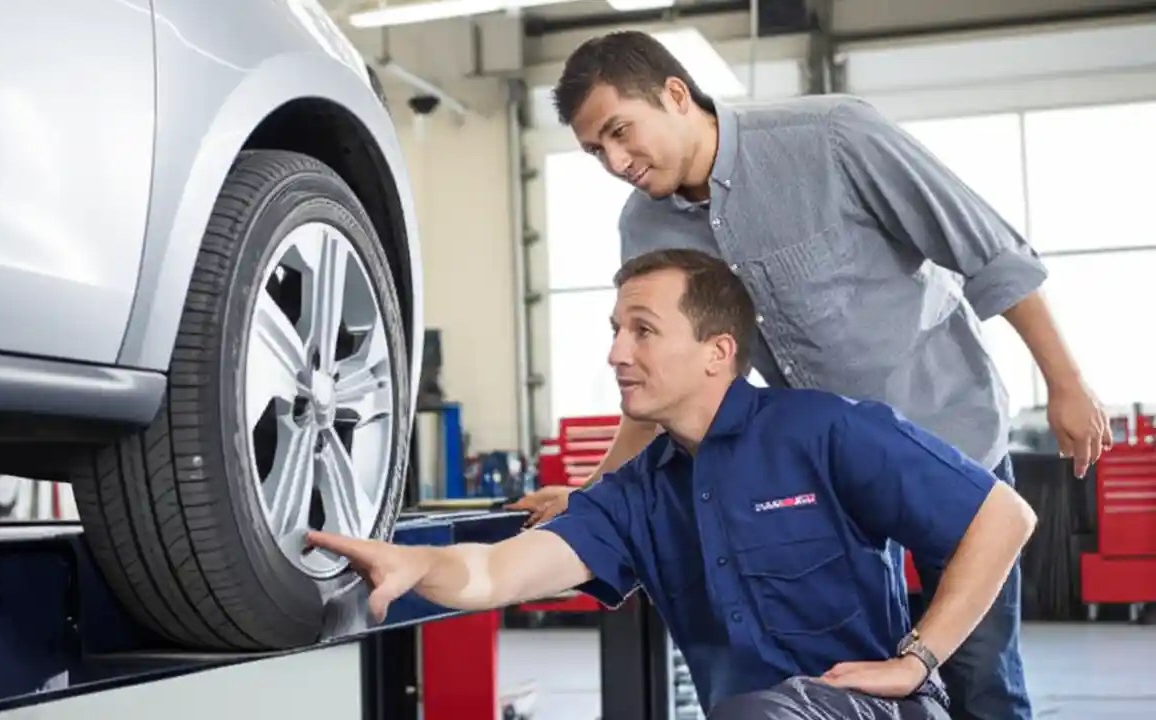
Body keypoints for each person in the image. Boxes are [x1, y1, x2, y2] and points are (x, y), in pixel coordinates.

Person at [508, 30, 1111, 720]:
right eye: (594, 151)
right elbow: (660, 375)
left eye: (621, 132)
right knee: (849, 680)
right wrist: (595, 494)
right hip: (826, 479)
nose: (615, 162)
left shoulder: (832, 140)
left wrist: (1065, 380)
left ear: (675, 94)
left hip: (948, 440)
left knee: (976, 678)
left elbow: (988, 250)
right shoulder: (647, 228)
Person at [310, 249, 1038, 720]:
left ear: (718, 352)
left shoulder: (824, 431)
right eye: (615, 330)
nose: (616, 352)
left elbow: (1003, 516)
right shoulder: (638, 495)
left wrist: (917, 660)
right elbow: (497, 571)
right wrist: (417, 566)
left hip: (876, 710)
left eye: (642, 331)